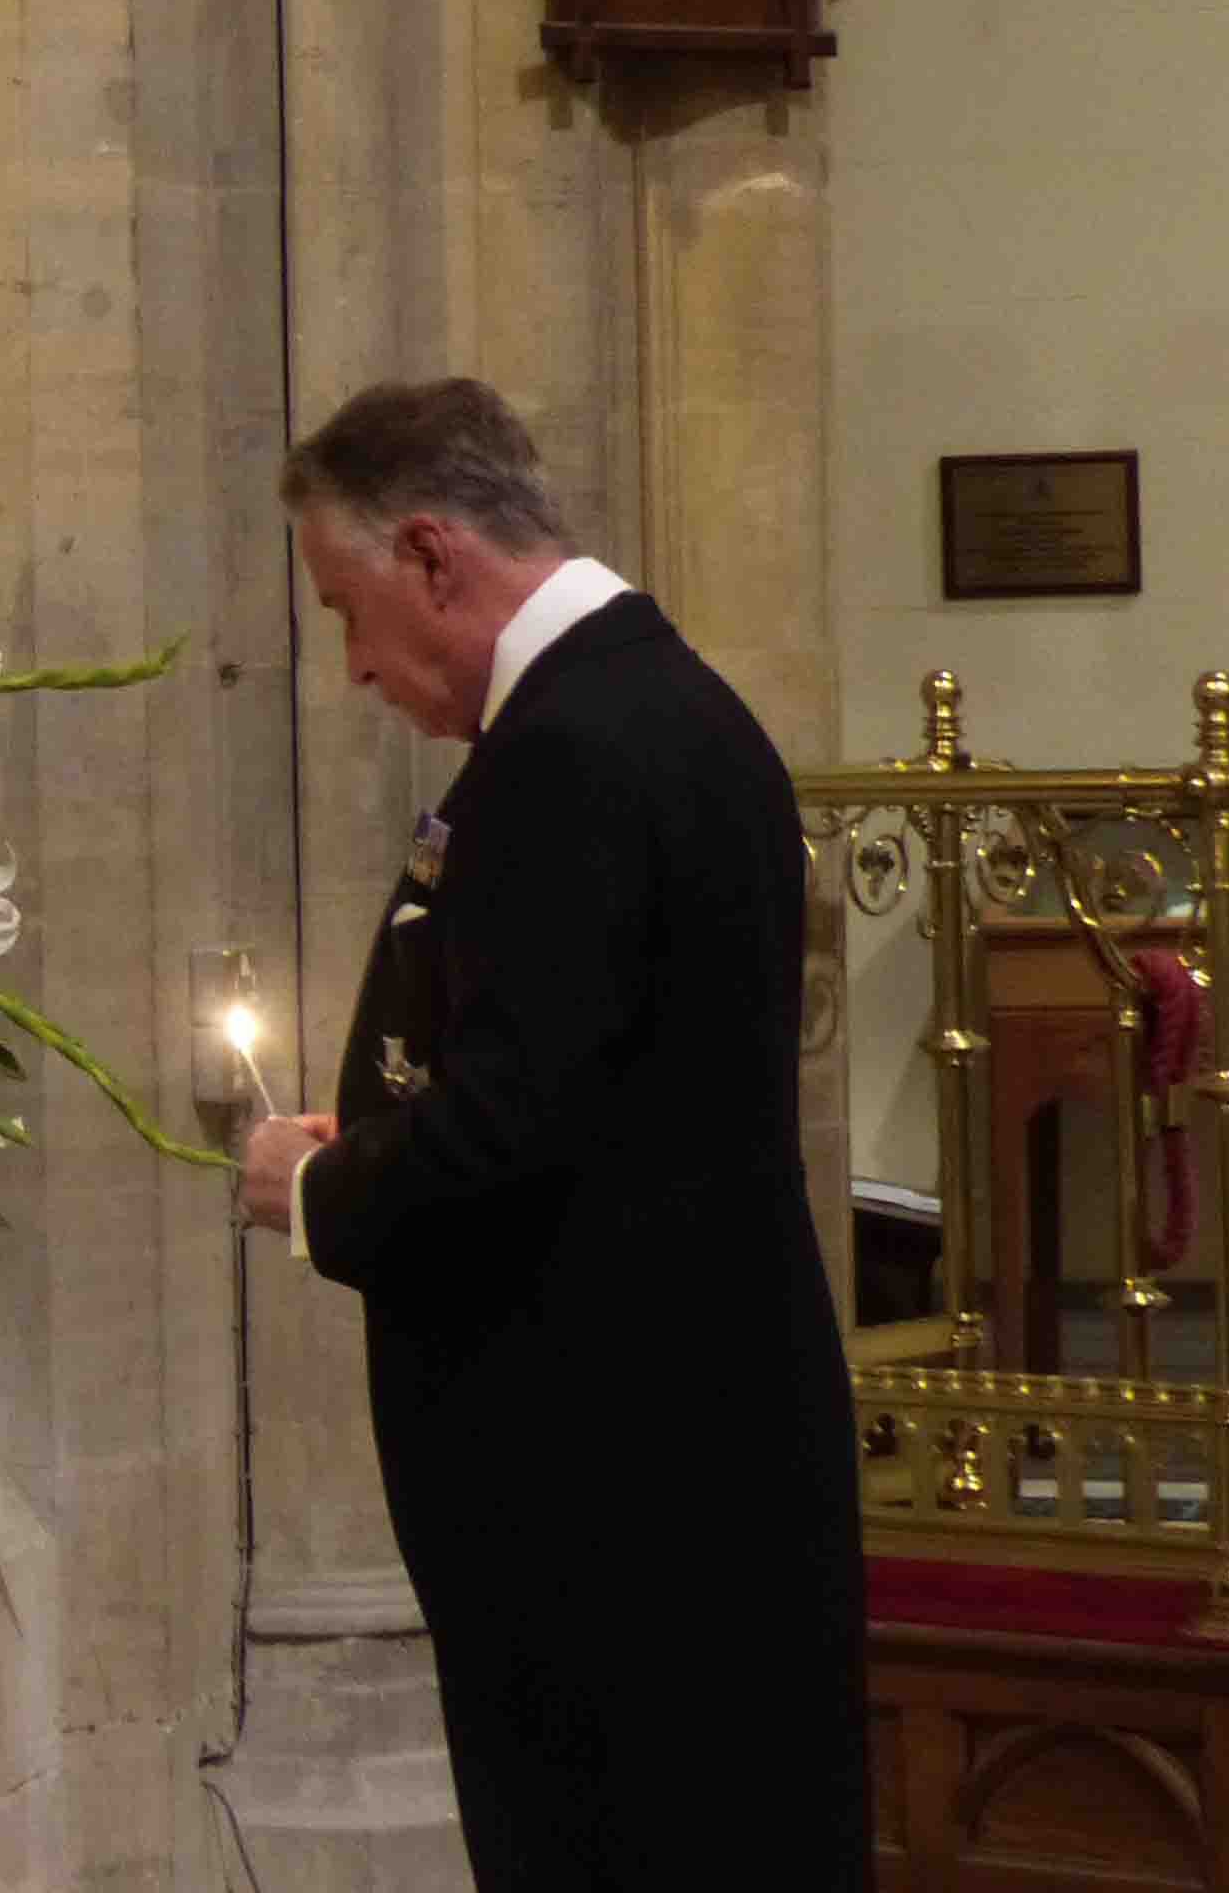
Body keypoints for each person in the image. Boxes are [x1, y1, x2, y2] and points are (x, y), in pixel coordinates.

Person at [238, 378, 859, 1888]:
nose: (355, 668)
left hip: (607, 1488)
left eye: (345, 607)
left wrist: (320, 1185)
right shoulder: (667, 707)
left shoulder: (571, 752)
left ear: (435, 557)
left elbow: (520, 1129)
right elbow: (606, 1080)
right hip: (697, 1444)